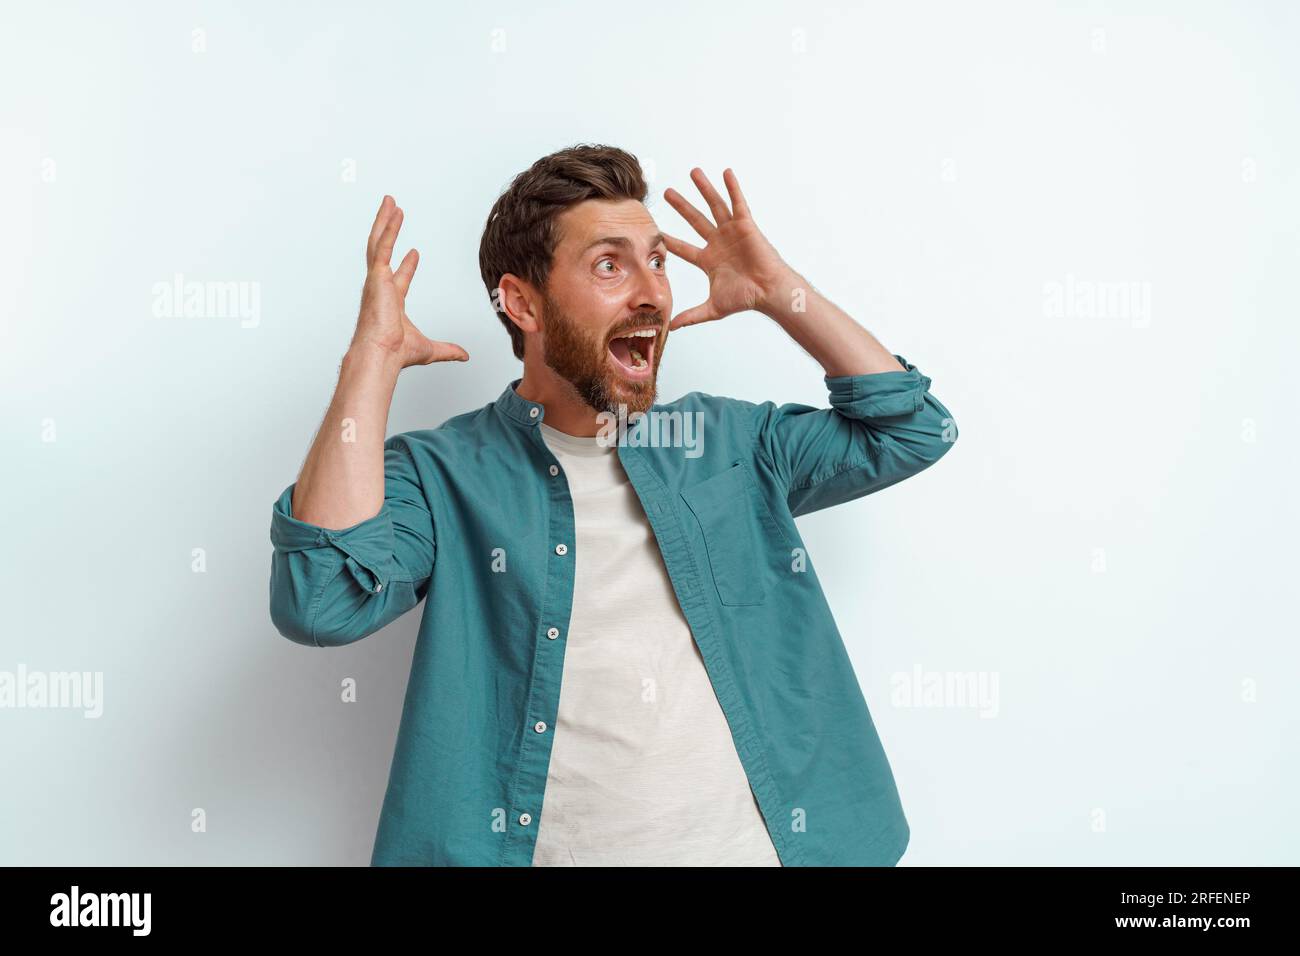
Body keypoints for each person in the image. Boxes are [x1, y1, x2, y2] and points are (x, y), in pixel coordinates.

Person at [268, 144, 958, 866]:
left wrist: (776, 288)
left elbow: (916, 430)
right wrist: (371, 357)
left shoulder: (727, 441)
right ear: (523, 302)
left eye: (657, 261)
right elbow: (319, 603)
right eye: (609, 264)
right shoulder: (444, 476)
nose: (653, 293)